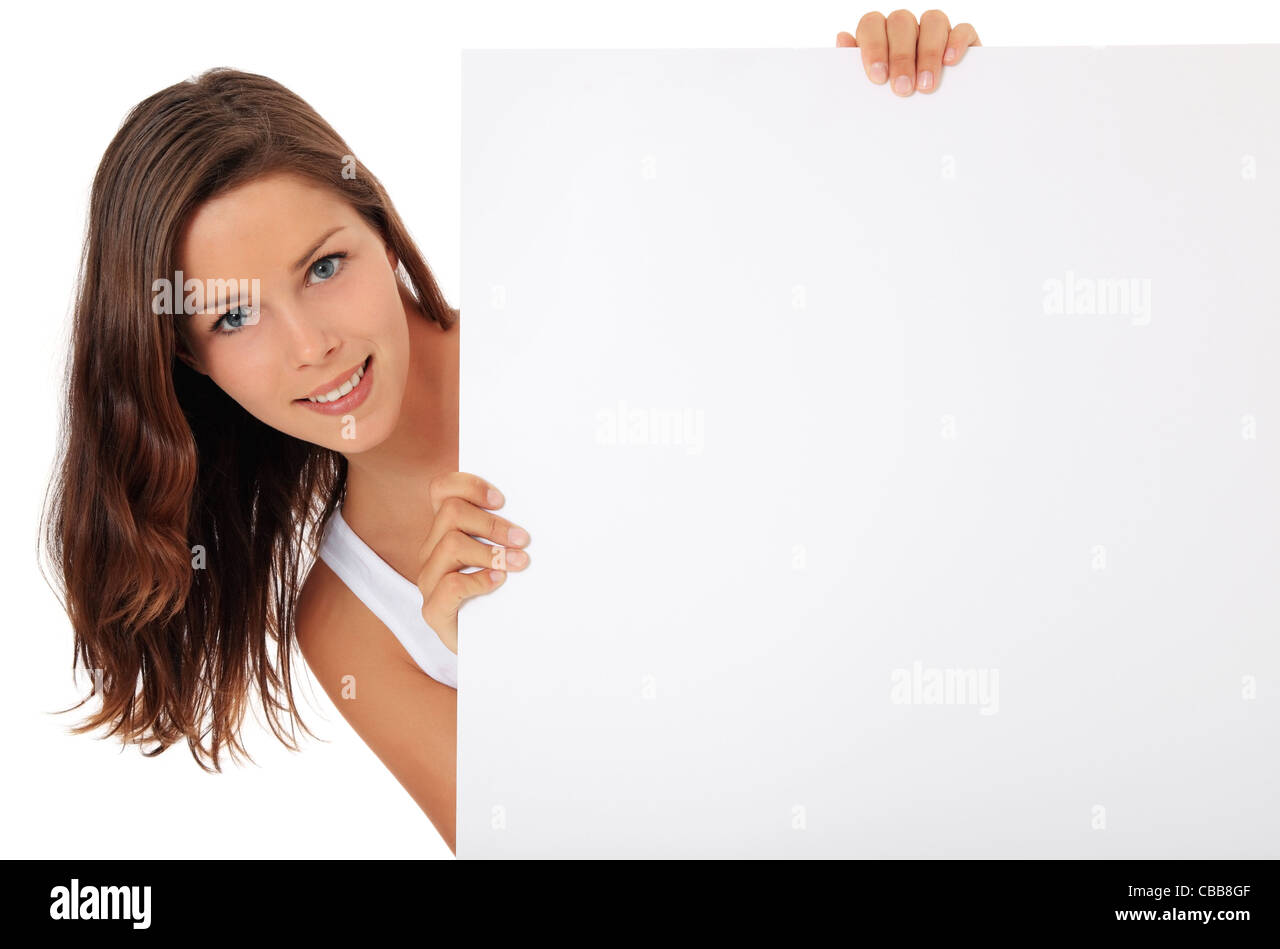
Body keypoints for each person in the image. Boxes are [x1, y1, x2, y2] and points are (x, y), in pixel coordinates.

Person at [39, 10, 980, 857]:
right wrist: (526, 680)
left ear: (377, 225)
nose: (312, 345)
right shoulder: (348, 620)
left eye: (325, 265)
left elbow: (867, 389)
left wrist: (919, 115)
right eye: (234, 319)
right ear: (189, 361)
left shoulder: (588, 294)